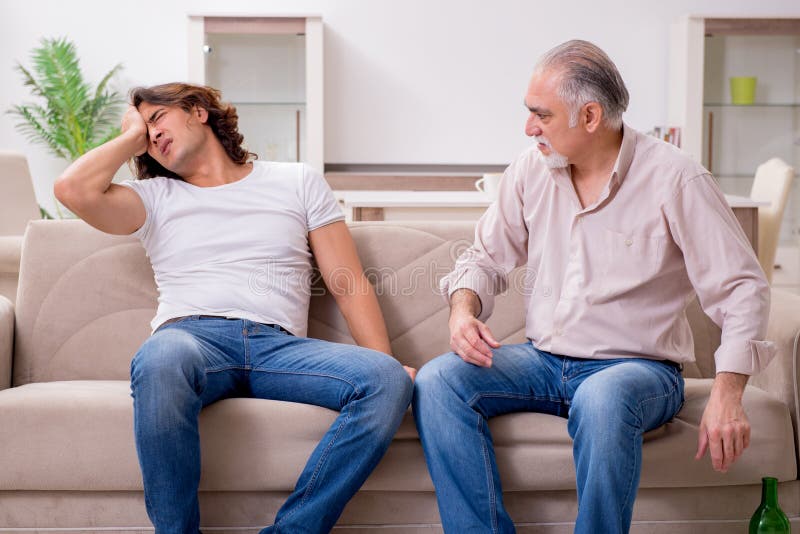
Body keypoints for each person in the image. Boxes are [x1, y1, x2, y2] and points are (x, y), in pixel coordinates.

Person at [412, 40, 774, 534]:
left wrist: (729, 392)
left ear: (589, 116)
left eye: (541, 115)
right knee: (437, 381)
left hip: (636, 370)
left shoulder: (677, 179)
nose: (528, 128)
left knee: (601, 399)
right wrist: (462, 310)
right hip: (543, 360)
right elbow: (484, 257)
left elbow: (741, 289)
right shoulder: (529, 169)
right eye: (528, 113)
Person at [54, 82, 415, 534]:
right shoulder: (154, 198)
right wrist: (129, 136)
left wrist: (383, 359)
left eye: (156, 119)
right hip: (191, 340)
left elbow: (347, 282)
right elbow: (71, 189)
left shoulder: (296, 180)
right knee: (160, 357)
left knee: (386, 379)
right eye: (143, 132)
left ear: (197, 111)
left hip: (278, 348)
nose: (151, 135)